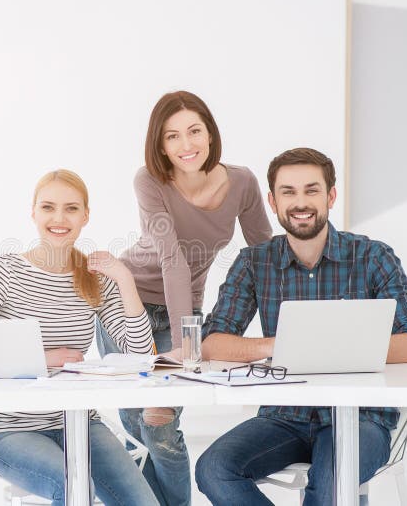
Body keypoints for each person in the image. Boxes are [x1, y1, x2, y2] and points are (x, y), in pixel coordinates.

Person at [194, 148, 407, 506]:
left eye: (311, 190)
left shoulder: (373, 257)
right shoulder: (253, 263)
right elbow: (212, 343)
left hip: (360, 418)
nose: (300, 202)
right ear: (273, 202)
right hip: (284, 417)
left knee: (329, 482)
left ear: (331, 196)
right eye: (288, 192)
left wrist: (335, 346)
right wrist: (278, 345)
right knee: (214, 468)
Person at [96, 90, 272, 505]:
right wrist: (184, 347)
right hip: (127, 303)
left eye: (194, 131)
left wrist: (287, 330)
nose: (186, 145)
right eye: (172, 136)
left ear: (210, 134)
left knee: (160, 423)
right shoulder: (149, 180)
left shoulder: (242, 181)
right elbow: (172, 261)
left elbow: (265, 256)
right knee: (138, 429)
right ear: (160, 144)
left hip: (184, 308)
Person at [0, 169, 157, 506]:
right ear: (33, 212)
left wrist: (124, 278)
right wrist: (46, 357)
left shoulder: (95, 279)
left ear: (85, 216)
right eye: (48, 207)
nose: (59, 218)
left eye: (71, 208)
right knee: (73, 490)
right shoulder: (6, 270)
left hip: (79, 423)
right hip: (11, 430)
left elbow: (140, 355)